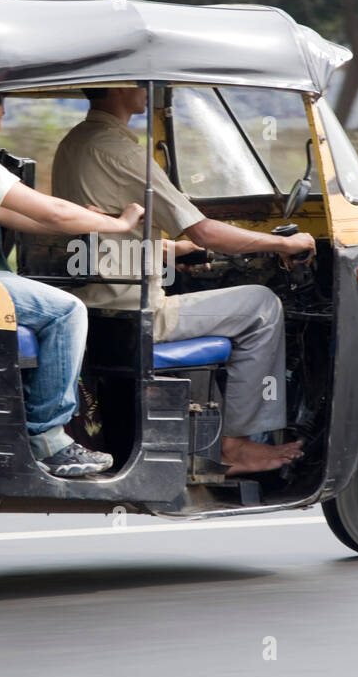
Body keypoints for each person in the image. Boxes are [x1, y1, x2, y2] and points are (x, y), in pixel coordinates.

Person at [52, 86, 315, 475]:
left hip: (97, 307)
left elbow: (105, 237)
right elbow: (206, 231)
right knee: (262, 305)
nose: (148, 92)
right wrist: (285, 243)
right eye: (141, 83)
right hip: (136, 312)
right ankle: (235, 446)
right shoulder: (121, 151)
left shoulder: (74, 144)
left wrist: (181, 251)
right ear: (121, 86)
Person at [0, 93, 145, 478]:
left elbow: (26, 216)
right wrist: (120, 224)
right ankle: (49, 438)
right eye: (0, 117)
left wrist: (85, 220)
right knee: (67, 310)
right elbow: (52, 210)